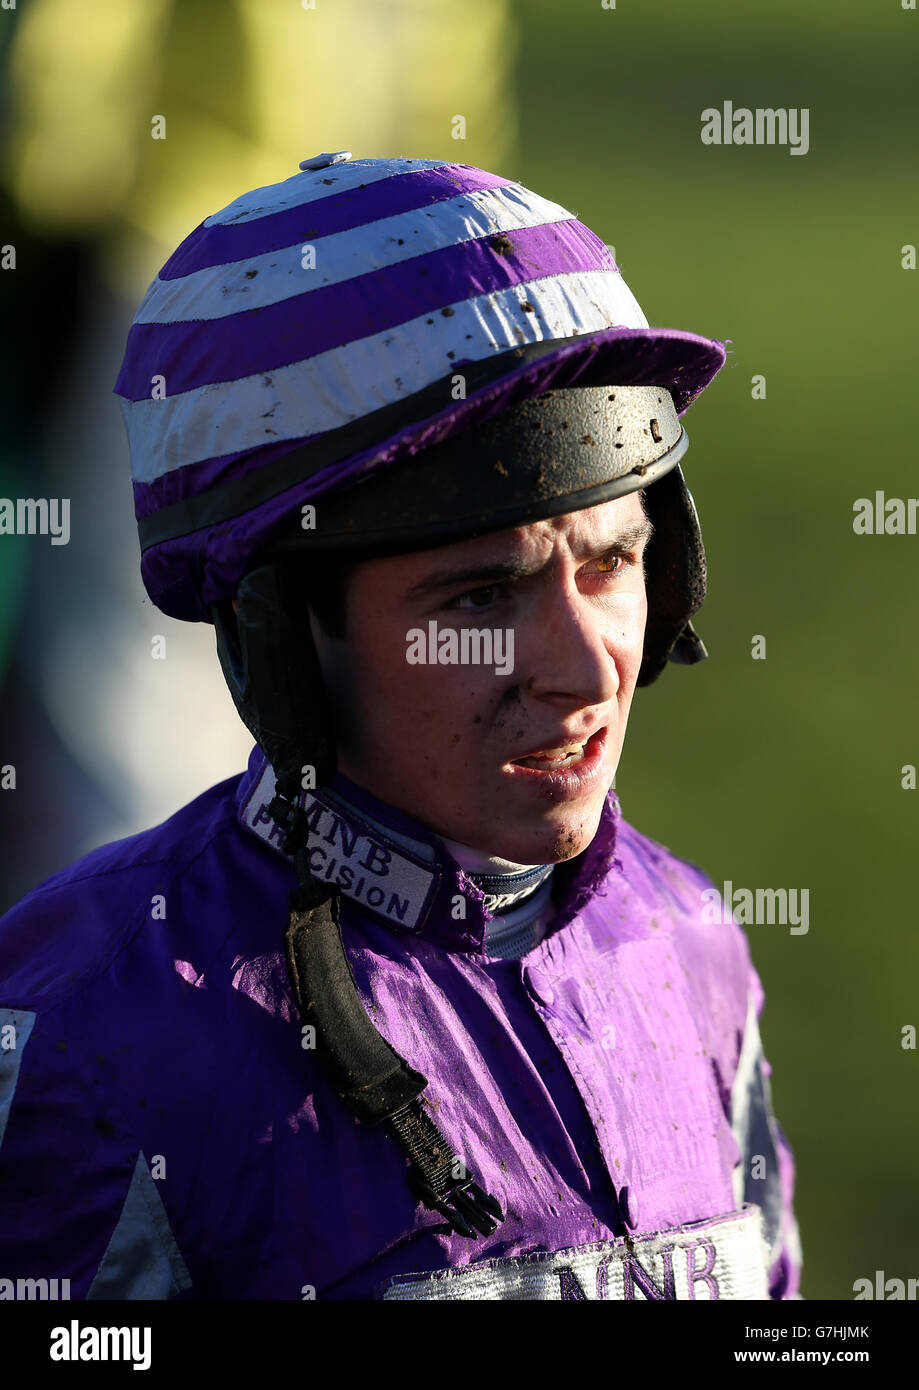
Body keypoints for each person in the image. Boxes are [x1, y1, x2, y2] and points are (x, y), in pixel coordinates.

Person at [0, 153, 802, 1300]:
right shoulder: (80, 1036)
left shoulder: (688, 941)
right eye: (479, 598)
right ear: (281, 642)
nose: (582, 672)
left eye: (612, 562)